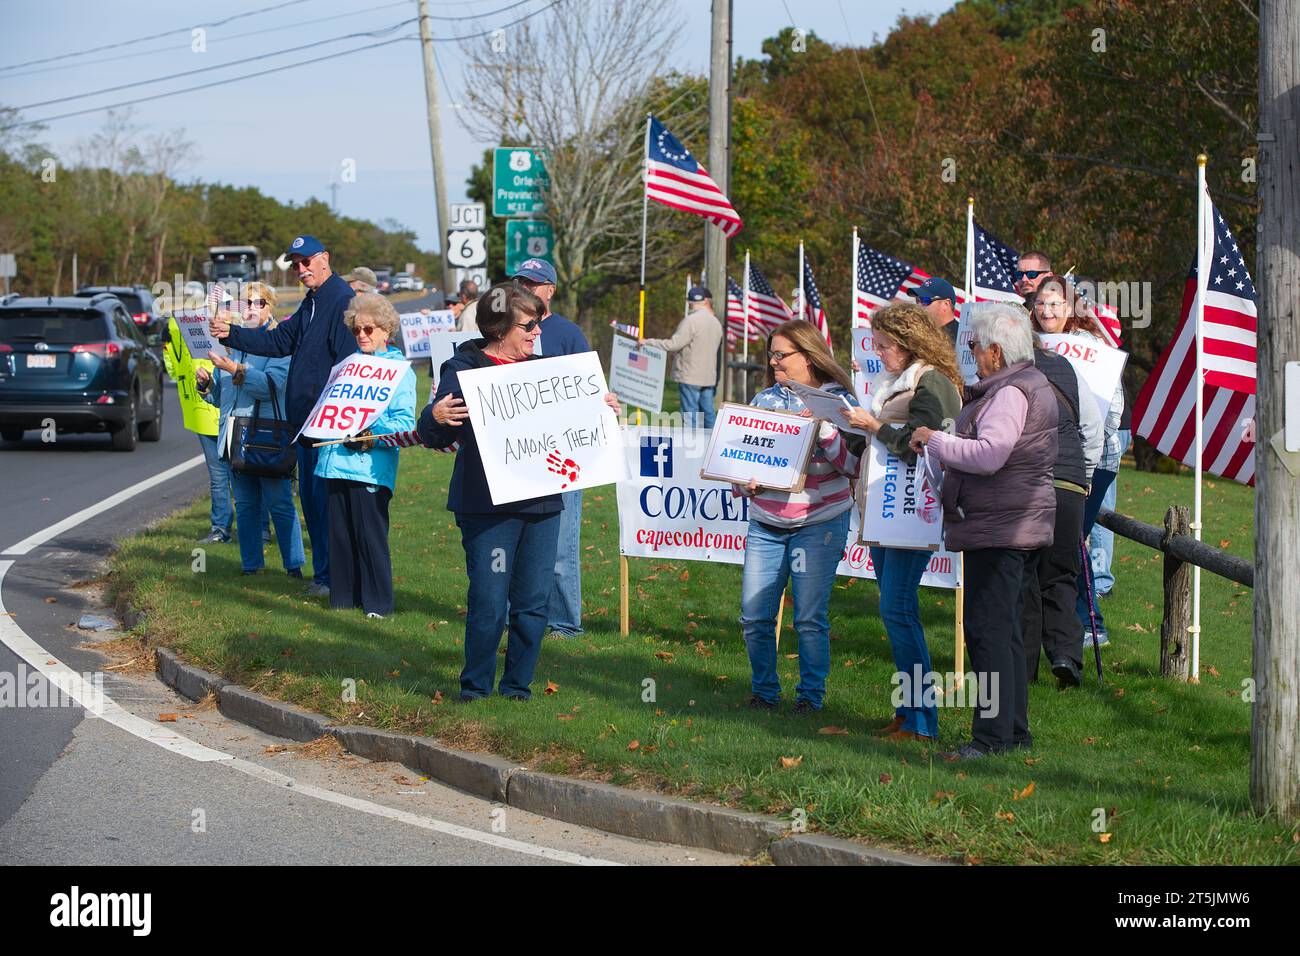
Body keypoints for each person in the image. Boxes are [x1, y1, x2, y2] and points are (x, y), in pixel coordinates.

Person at [416, 282, 621, 699]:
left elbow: (575, 424)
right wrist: (433, 416)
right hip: (488, 508)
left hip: (542, 504)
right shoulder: (463, 369)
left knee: (533, 603)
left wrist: (603, 410)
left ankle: (517, 689)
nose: (536, 333)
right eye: (528, 326)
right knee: (490, 602)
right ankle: (475, 689)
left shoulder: (547, 373)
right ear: (499, 328)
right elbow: (434, 435)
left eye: (537, 324)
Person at [910, 302, 1058, 760]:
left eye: (973, 345)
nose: (970, 352)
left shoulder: (1010, 392)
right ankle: (1012, 732)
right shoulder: (1027, 384)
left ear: (996, 351)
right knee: (1006, 631)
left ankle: (990, 738)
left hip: (1000, 527)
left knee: (988, 632)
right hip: (1014, 524)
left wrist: (933, 439)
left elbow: (991, 453)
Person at [839, 304, 962, 741]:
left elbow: (924, 443)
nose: (878, 351)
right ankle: (908, 712)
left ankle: (922, 721)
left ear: (909, 343)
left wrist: (872, 426)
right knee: (895, 612)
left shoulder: (932, 381)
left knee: (898, 610)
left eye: (885, 344)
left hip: (912, 512)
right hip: (887, 511)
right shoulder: (901, 381)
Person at [211, 234, 357, 599]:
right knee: (311, 501)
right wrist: (233, 334)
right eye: (295, 264)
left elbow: (347, 363)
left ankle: (332, 578)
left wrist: (339, 418)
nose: (301, 269)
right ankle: (323, 575)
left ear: (325, 258)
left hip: (328, 424)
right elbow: (278, 342)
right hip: (305, 423)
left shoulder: (341, 300)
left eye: (306, 261)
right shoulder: (312, 301)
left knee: (325, 504)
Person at [735, 320, 861, 715]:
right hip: (766, 523)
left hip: (819, 523)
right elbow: (739, 461)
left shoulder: (840, 402)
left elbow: (853, 466)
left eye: (780, 355)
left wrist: (825, 432)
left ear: (807, 358)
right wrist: (743, 484)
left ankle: (810, 699)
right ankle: (764, 693)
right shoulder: (763, 400)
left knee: (808, 618)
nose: (773, 362)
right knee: (755, 615)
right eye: (771, 354)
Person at [1028, 276, 1126, 648]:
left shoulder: (1090, 346)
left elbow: (1111, 409)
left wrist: (1085, 453)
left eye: (1055, 304)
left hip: (1093, 460)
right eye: (1041, 304)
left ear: (1070, 308)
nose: (1047, 311)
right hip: (1047, 457)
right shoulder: (1032, 346)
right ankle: (1052, 625)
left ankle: (1090, 624)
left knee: (1071, 540)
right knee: (1051, 540)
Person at [314, 293, 416, 619]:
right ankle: (343, 602)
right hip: (335, 462)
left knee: (370, 538)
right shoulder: (348, 366)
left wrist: (370, 434)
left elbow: (404, 424)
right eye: (357, 330)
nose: (362, 336)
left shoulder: (400, 371)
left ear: (386, 330)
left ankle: (379, 605)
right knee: (340, 538)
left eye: (369, 329)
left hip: (369, 467)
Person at [194, 282, 306, 578]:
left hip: (267, 435)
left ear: (270, 307)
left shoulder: (278, 342)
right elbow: (224, 399)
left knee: (280, 504)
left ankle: (293, 567)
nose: (250, 309)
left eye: (258, 303)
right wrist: (207, 386)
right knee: (244, 505)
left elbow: (271, 387)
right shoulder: (233, 342)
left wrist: (235, 370)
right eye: (245, 303)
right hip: (235, 436)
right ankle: (251, 567)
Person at [1021, 314, 1103, 688]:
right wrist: (1083, 476)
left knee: (1024, 575)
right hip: (1070, 483)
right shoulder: (1067, 369)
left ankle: (1023, 668)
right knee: (1061, 574)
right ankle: (1066, 655)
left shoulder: (1005, 376)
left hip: (1028, 484)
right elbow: (1092, 426)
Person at [510, 258, 590, 639]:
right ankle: (521, 616)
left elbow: (588, 391)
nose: (526, 288)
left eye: (533, 283)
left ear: (550, 290)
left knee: (560, 545)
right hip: (519, 453)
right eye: (520, 281)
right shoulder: (506, 329)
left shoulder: (568, 333)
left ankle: (563, 622)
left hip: (563, 455)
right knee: (518, 542)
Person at [163, 310, 230, 544]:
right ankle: (259, 531)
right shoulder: (230, 320)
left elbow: (172, 368)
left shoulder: (176, 326)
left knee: (219, 476)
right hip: (229, 408)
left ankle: (221, 529)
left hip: (202, 409)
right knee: (247, 475)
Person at [640, 285, 724, 428]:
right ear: (706, 301)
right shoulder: (716, 322)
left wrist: (648, 342)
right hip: (708, 377)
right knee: (708, 414)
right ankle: (712, 445)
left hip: (690, 375)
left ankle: (691, 447)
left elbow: (674, 344)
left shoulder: (691, 321)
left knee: (690, 415)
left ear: (690, 302)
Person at [911, 277, 960, 347]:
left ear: (945, 305)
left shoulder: (962, 340)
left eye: (925, 300)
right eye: (917, 300)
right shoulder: (917, 335)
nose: (918, 305)